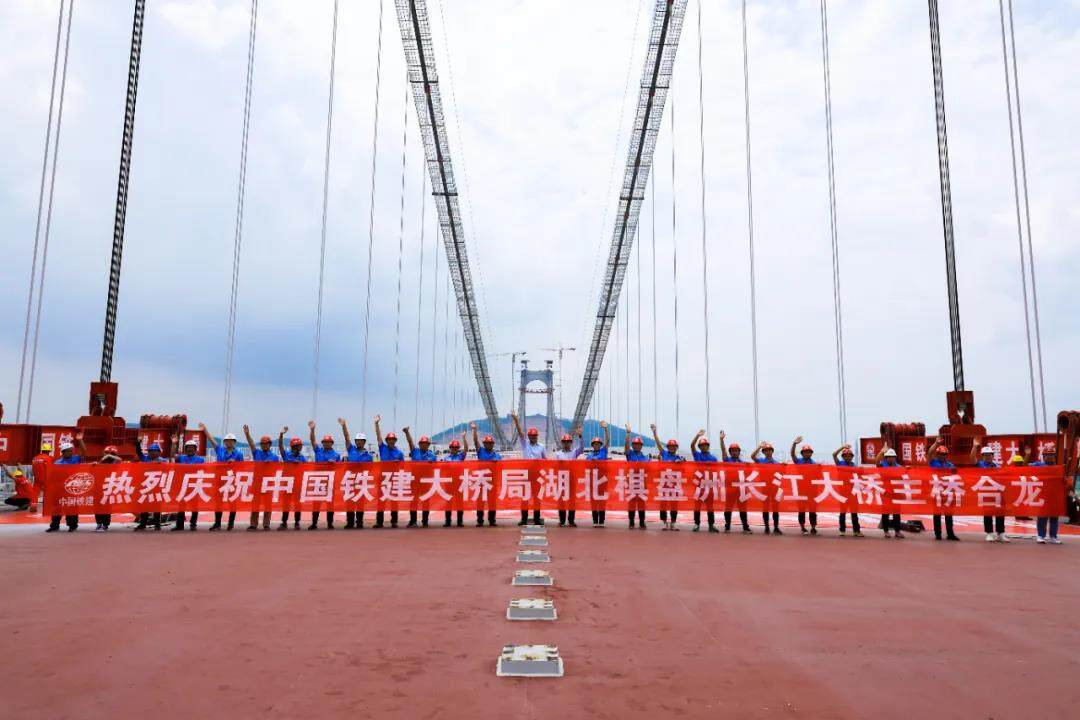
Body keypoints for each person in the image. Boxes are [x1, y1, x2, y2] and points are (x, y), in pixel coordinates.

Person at [199, 423, 244, 531]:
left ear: (234, 442)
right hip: (220, 479)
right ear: (224, 442)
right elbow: (211, 440)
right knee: (218, 502)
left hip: (232, 480)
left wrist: (235, 463)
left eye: (231, 440)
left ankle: (231, 523)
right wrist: (205, 429)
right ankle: (217, 523)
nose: (229, 442)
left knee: (232, 502)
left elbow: (243, 468)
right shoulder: (220, 450)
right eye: (227, 441)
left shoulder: (238, 454)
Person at [510, 411, 545, 526]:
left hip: (537, 475)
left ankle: (536, 518)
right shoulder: (525, 444)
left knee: (537, 498)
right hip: (526, 475)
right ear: (529, 437)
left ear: (537, 437)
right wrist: (516, 419)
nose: (533, 437)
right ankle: (524, 518)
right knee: (524, 497)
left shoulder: (541, 447)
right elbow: (520, 433)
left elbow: (545, 461)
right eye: (531, 436)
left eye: (535, 436)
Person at [971, 439, 1008, 543]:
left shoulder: (998, 466)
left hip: (998, 493)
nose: (988, 456)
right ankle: (989, 533)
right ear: (982, 456)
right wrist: (974, 447)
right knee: (987, 513)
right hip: (986, 492)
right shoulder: (980, 465)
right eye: (986, 455)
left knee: (1000, 513)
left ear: (993, 456)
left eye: (990, 455)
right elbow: (972, 458)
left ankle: (1000, 533)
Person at [305, 421, 340, 529]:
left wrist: (334, 464)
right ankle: (314, 523)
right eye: (325, 442)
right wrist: (312, 430)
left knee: (330, 503)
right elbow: (312, 441)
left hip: (330, 482)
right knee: (316, 503)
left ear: (332, 443)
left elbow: (339, 469)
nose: (326, 443)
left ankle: (330, 523)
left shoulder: (336, 455)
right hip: (318, 481)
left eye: (328, 442)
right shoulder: (318, 451)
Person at [47, 436, 87, 532]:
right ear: (63, 452)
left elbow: (84, 451)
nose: (70, 452)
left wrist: (80, 440)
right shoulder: (57, 462)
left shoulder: (76, 459)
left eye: (71, 450)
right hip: (59, 488)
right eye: (67, 451)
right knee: (57, 507)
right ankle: (54, 525)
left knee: (71, 507)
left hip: (71, 488)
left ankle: (72, 525)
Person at [242, 425, 278, 531]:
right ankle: (253, 524)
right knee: (255, 504)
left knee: (268, 504)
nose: (264, 445)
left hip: (268, 483)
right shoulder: (257, 453)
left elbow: (277, 470)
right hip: (257, 482)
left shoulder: (275, 457)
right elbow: (251, 443)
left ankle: (266, 524)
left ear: (270, 444)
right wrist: (247, 434)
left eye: (266, 443)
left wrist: (270, 464)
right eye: (262, 444)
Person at [339, 417, 373, 528]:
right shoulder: (351, 449)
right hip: (350, 480)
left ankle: (359, 522)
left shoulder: (368, 456)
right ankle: (350, 522)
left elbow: (371, 469)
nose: (358, 442)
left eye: (361, 441)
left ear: (364, 442)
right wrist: (344, 426)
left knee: (360, 502)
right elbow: (346, 437)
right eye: (357, 441)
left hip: (361, 481)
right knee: (349, 502)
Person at [373, 415, 404, 528]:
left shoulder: (399, 453)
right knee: (381, 501)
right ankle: (379, 522)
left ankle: (394, 521)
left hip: (394, 479)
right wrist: (376, 424)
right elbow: (378, 436)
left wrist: (398, 464)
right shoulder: (383, 448)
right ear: (387, 441)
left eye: (393, 439)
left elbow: (404, 467)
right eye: (389, 439)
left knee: (394, 501)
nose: (391, 441)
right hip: (383, 478)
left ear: (395, 441)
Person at [651, 423, 683, 531]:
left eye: (674, 446)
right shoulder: (664, 454)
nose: (672, 448)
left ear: (676, 448)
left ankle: (673, 523)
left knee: (674, 504)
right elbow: (658, 443)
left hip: (674, 484)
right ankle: (664, 522)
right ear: (668, 447)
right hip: (664, 483)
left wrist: (682, 461)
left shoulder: (679, 457)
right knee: (663, 503)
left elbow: (685, 464)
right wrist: (654, 432)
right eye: (670, 446)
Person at [926, 438, 960, 541]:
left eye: (944, 454)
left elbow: (955, 476)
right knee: (937, 514)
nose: (942, 456)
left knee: (949, 514)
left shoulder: (950, 465)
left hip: (948, 493)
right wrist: (936, 443)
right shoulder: (933, 463)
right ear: (937, 454)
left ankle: (950, 534)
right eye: (940, 454)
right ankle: (938, 534)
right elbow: (929, 452)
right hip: (937, 492)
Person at [403, 426, 436, 527]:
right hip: (415, 480)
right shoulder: (415, 451)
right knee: (413, 501)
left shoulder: (432, 455)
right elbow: (410, 442)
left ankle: (425, 521)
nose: (423, 445)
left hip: (426, 482)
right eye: (421, 443)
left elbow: (436, 467)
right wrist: (407, 432)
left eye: (425, 443)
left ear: (428, 445)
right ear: (419, 444)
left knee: (426, 501)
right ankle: (413, 521)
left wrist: (431, 463)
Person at [719, 431, 751, 533]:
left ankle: (745, 527)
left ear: (739, 452)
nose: (734, 452)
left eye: (736, 450)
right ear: (730, 452)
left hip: (741, 490)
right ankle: (727, 526)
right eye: (732, 450)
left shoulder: (743, 464)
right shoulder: (727, 461)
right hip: (730, 489)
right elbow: (723, 451)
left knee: (743, 509)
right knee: (728, 508)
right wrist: (721, 441)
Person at [1029, 447, 1062, 544]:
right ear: (1043, 456)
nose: (1049, 457)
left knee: (1054, 517)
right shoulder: (1038, 465)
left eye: (1051, 455)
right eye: (1047, 455)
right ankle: (1040, 535)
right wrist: (1027, 455)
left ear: (1054, 456)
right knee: (1042, 517)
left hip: (1054, 495)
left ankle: (1053, 536)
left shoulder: (1059, 468)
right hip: (1042, 494)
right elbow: (1025, 467)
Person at [133, 438, 168, 530]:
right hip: (146, 486)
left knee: (157, 506)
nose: (152, 453)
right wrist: (138, 443)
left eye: (155, 451)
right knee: (144, 506)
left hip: (157, 486)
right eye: (151, 451)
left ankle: (157, 525)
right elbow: (139, 452)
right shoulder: (145, 459)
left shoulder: (163, 461)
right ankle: (143, 524)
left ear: (159, 452)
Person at [690, 429, 720, 533]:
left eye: (705, 445)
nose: (704, 447)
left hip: (709, 485)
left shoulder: (713, 458)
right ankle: (696, 524)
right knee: (697, 505)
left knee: (710, 506)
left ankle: (711, 525)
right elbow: (692, 446)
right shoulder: (697, 455)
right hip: (699, 485)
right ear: (700, 447)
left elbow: (716, 472)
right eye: (702, 445)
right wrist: (697, 436)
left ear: (708, 446)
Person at [472, 422, 500, 526]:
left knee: (492, 502)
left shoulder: (497, 456)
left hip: (492, 481)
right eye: (487, 443)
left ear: (493, 444)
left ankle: (492, 520)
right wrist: (474, 430)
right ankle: (480, 521)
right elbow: (475, 441)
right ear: (484, 444)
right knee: (480, 501)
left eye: (490, 443)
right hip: (481, 481)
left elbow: (502, 466)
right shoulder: (481, 451)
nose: (489, 444)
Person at [173, 438, 206, 531]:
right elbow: (172, 456)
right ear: (185, 449)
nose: (190, 449)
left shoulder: (200, 460)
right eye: (188, 447)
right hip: (183, 485)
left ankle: (193, 523)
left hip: (195, 485)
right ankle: (179, 525)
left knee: (194, 505)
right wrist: (174, 444)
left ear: (195, 449)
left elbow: (204, 471)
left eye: (192, 447)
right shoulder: (181, 458)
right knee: (181, 505)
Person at [554, 428, 584, 527]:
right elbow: (555, 466)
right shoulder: (558, 454)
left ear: (571, 443)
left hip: (571, 479)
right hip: (561, 480)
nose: (566, 443)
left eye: (568, 442)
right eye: (564, 442)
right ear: (562, 443)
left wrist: (580, 436)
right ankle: (562, 521)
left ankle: (571, 520)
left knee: (572, 500)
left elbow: (582, 448)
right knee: (561, 501)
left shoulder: (575, 452)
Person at [751, 441, 781, 535]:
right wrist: (759, 447)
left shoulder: (777, 463)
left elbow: (782, 474)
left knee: (775, 508)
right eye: (766, 450)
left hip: (775, 488)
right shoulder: (761, 461)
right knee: (765, 508)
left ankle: (776, 527)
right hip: (765, 488)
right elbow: (752, 456)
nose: (768, 452)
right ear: (763, 452)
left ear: (772, 451)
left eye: (769, 450)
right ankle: (767, 527)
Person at [832, 444, 862, 537]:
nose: (848, 457)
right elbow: (834, 454)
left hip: (853, 492)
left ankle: (856, 531)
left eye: (850, 455)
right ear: (843, 457)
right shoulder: (840, 464)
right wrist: (843, 447)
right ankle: (842, 530)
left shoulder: (854, 466)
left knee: (854, 513)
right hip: (843, 492)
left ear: (852, 457)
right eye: (846, 455)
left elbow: (860, 476)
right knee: (843, 512)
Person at [277, 428, 305, 530]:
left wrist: (300, 465)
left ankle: (297, 522)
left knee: (298, 504)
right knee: (286, 504)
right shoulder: (286, 455)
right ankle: (284, 522)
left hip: (298, 484)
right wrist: (281, 435)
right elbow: (280, 446)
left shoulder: (302, 458)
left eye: (300, 446)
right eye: (298, 446)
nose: (299, 448)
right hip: (287, 484)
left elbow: (307, 468)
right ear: (293, 447)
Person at [585, 421, 611, 526]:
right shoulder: (589, 456)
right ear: (592, 445)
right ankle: (595, 521)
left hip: (602, 480)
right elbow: (586, 467)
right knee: (594, 501)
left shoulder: (603, 452)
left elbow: (608, 441)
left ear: (600, 445)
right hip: (593, 481)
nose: (596, 445)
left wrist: (605, 429)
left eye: (598, 444)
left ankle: (602, 521)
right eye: (595, 444)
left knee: (602, 501)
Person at [876, 445, 904, 539]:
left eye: (892, 457)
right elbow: (876, 462)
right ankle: (886, 531)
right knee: (885, 513)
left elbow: (903, 478)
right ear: (886, 458)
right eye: (888, 457)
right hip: (886, 493)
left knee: (897, 513)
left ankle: (897, 531)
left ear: (895, 458)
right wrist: (881, 452)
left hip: (896, 493)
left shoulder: (899, 467)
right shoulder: (883, 465)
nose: (890, 459)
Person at [791, 436, 818, 535]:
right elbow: (792, 455)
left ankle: (813, 527)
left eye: (809, 452)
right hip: (801, 489)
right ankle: (802, 527)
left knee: (813, 510)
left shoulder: (815, 464)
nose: (807, 453)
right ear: (802, 454)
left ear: (811, 453)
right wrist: (794, 444)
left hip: (812, 490)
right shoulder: (799, 462)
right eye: (805, 452)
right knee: (801, 509)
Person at [440, 433, 469, 527]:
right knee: (448, 502)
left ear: (458, 449)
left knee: (459, 502)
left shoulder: (460, 457)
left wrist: (464, 438)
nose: (454, 449)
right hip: (448, 483)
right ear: (450, 448)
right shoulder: (446, 458)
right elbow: (440, 468)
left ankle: (460, 521)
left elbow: (466, 450)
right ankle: (448, 521)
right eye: (453, 447)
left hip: (459, 483)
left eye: (456, 447)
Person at [94, 445, 124, 531]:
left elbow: (119, 460)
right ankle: (99, 523)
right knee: (98, 506)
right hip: (99, 487)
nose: (108, 455)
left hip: (109, 487)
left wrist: (109, 455)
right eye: (107, 453)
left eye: (112, 454)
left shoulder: (115, 463)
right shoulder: (100, 462)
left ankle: (105, 524)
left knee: (107, 506)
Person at [624, 426, 648, 529]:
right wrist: (628, 434)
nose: (637, 446)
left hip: (642, 484)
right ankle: (631, 522)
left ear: (641, 446)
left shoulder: (646, 458)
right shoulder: (630, 455)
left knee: (642, 504)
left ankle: (642, 522)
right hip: (631, 483)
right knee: (631, 503)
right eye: (635, 444)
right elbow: (626, 447)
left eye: (638, 444)